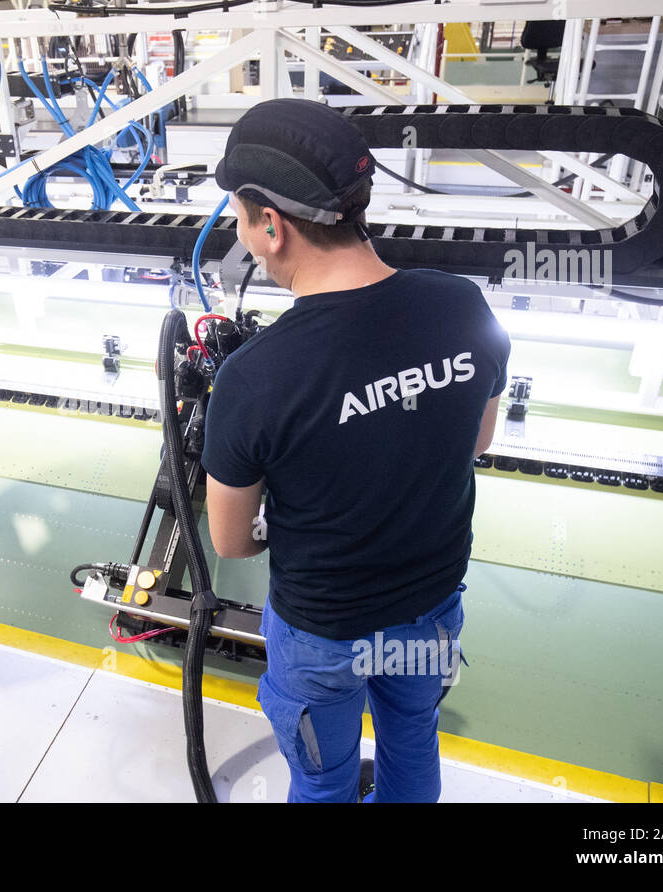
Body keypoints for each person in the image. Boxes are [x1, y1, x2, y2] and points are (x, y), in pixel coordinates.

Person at [202, 99, 511, 802]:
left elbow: (229, 541)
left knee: (324, 777)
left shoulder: (252, 378)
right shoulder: (463, 305)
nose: (242, 236)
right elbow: (479, 441)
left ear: (272, 226)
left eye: (240, 219)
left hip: (322, 634)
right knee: (410, 740)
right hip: (430, 609)